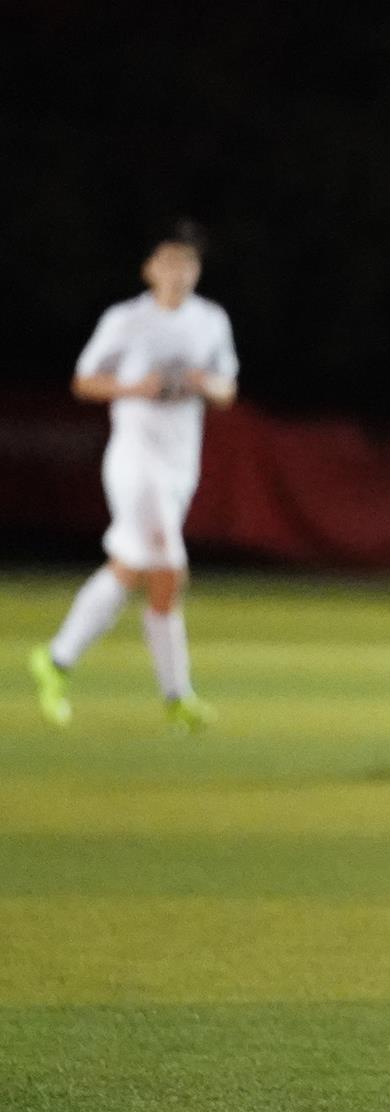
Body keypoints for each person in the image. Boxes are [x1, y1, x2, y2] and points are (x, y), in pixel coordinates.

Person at [29, 223, 238, 733]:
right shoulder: (126, 320)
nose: (178, 271)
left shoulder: (210, 320)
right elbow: (83, 381)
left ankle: (54, 661)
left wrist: (202, 384)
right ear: (149, 269)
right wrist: (135, 386)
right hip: (135, 462)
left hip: (178, 466)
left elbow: (227, 388)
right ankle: (176, 695)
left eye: (187, 263)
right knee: (169, 568)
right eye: (168, 260)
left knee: (128, 570)